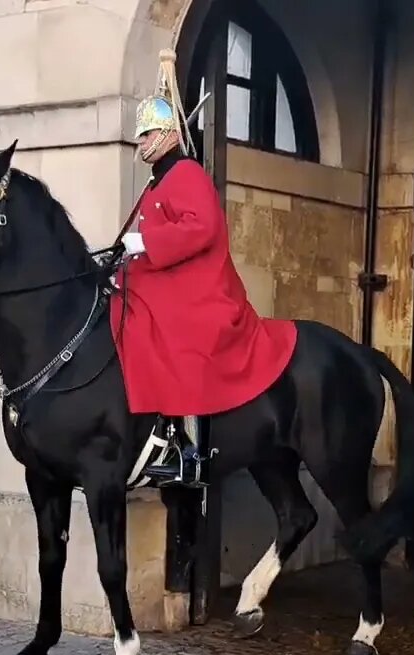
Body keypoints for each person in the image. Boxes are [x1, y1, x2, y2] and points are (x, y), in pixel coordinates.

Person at [112, 49, 297, 487]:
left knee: (175, 339)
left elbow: (202, 227)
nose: (141, 143)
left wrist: (145, 241)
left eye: (147, 134)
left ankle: (187, 446)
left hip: (200, 288)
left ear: (170, 133)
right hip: (167, 281)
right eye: (141, 136)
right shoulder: (161, 180)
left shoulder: (187, 173)